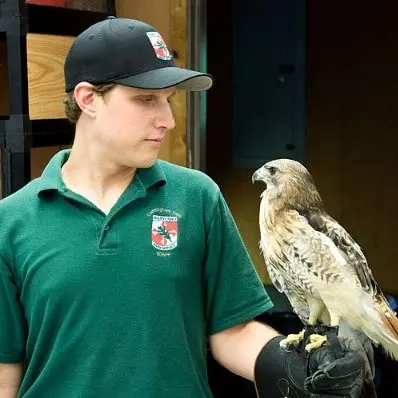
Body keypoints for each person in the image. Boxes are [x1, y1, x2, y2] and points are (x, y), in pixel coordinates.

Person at [0, 17, 365, 398]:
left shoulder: (196, 197)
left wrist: (292, 367)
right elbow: (5, 374)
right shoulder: (11, 222)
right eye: (146, 99)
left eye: (169, 100)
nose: (169, 121)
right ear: (88, 99)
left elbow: (231, 330)